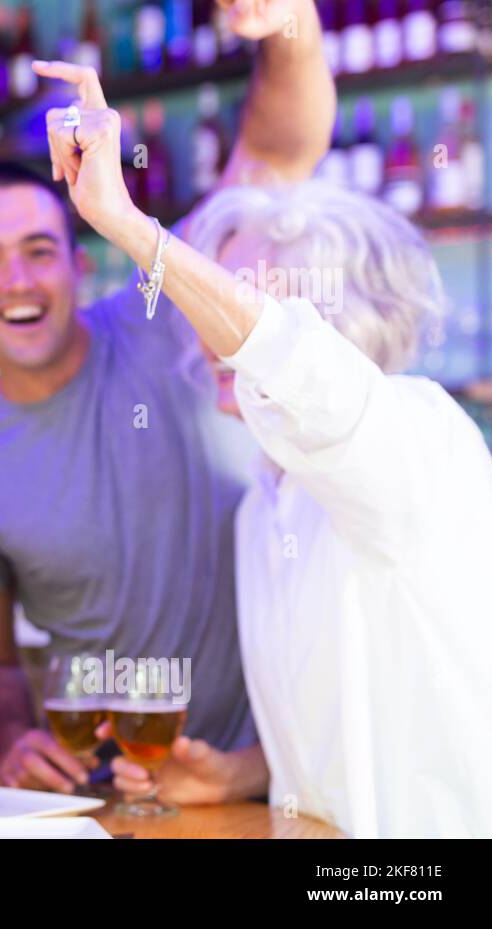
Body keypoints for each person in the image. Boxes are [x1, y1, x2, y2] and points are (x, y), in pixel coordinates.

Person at [0, 0, 335, 792]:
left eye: (41, 250)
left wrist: (293, 26)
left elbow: (278, 157)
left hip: (282, 771)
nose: (16, 281)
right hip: (117, 792)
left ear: (81, 263)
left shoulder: (170, 312)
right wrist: (12, 736)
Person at [65, 172, 492, 838]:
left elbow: (301, 368)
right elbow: (342, 726)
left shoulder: (418, 435)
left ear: (345, 315)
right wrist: (236, 773)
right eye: (212, 293)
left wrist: (130, 226)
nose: (211, 327)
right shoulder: (260, 508)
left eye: (242, 298)